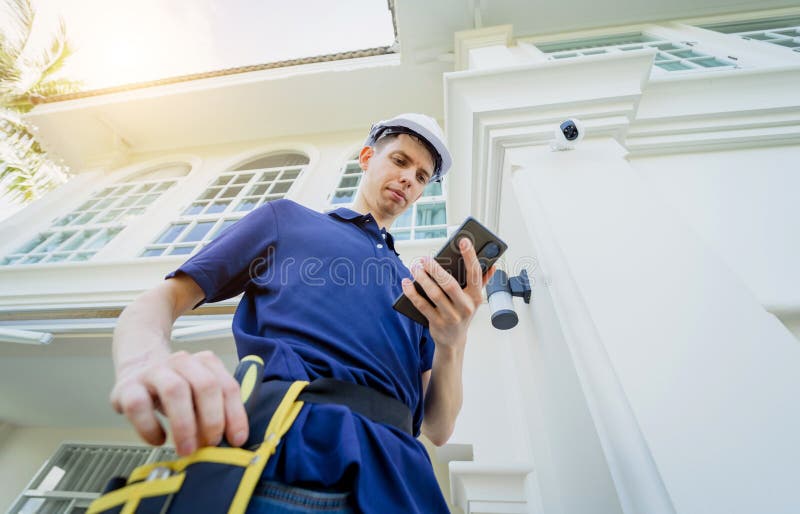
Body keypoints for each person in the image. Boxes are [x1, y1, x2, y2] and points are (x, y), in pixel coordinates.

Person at [109, 113, 496, 513]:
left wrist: (453, 342)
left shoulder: (415, 289)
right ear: (366, 158)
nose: (408, 180)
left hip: (404, 479)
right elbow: (164, 298)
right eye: (400, 161)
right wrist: (143, 359)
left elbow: (438, 427)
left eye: (421, 177)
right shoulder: (287, 220)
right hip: (289, 455)